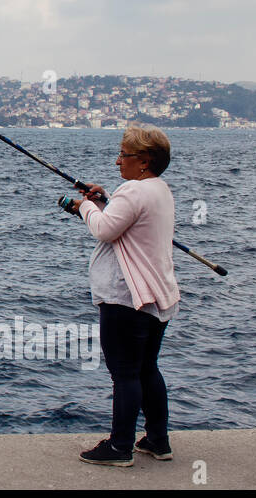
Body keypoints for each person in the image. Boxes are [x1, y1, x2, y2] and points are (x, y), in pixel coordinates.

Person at [73, 123, 179, 467]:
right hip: (156, 296)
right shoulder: (159, 190)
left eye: (124, 155)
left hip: (126, 297)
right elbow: (126, 221)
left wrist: (84, 208)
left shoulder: (133, 192)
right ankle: (158, 440)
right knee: (148, 368)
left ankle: (120, 447)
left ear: (144, 161)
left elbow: (105, 229)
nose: (118, 161)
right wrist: (105, 200)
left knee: (125, 373)